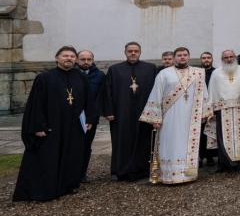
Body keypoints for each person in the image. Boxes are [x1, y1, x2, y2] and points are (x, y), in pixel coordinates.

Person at [13, 46, 92, 202]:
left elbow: (89, 100)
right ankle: (45, 190)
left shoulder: (81, 77)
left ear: (75, 59)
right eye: (65, 55)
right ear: (57, 58)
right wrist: (38, 126)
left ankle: (66, 186)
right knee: (48, 158)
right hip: (51, 126)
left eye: (71, 56)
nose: (68, 58)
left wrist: (89, 119)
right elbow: (36, 104)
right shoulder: (44, 78)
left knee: (71, 156)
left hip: (73, 126)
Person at [139, 47, 209, 185]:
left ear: (189, 57)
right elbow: (156, 95)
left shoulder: (198, 73)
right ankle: (169, 175)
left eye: (185, 55)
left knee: (187, 144)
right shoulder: (164, 74)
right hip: (169, 117)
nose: (182, 57)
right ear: (175, 57)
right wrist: (155, 118)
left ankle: (188, 174)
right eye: (179, 55)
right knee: (169, 143)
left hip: (191, 118)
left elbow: (204, 93)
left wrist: (205, 112)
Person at [99, 42, 157, 181]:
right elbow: (107, 91)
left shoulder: (150, 68)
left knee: (143, 140)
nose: (133, 53)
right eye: (130, 51)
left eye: (136, 51)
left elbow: (157, 92)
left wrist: (156, 113)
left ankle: (142, 169)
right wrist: (108, 111)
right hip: (121, 112)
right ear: (125, 52)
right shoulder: (115, 69)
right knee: (122, 141)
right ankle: (121, 170)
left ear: (140, 52)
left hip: (144, 112)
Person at [205, 50, 240, 172]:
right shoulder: (216, 73)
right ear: (222, 59)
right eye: (226, 57)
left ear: (235, 57)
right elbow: (212, 91)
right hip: (222, 110)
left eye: (231, 57)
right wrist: (210, 109)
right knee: (223, 137)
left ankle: (239, 163)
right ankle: (225, 164)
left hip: (239, 108)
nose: (228, 59)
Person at [76, 49, 104, 183]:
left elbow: (100, 98)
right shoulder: (71, 74)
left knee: (86, 146)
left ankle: (81, 173)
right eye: (83, 59)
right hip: (71, 117)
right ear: (77, 60)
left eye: (89, 59)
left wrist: (92, 118)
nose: (86, 62)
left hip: (89, 119)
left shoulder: (99, 76)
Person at [199, 51, 217, 167]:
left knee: (211, 132)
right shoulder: (196, 73)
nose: (206, 60)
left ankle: (210, 156)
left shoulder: (217, 72)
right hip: (199, 106)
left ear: (212, 59)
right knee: (200, 133)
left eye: (208, 58)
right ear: (201, 60)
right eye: (204, 58)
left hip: (213, 105)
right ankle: (200, 157)